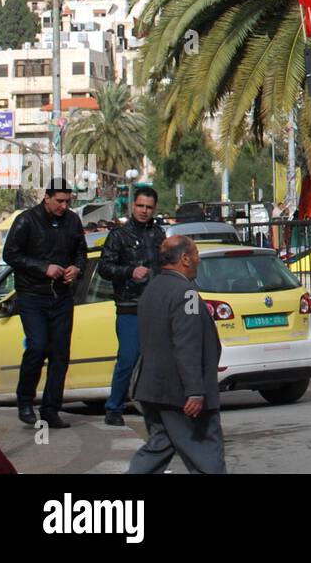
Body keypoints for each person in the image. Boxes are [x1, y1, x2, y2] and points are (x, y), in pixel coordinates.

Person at [128, 236, 226, 474]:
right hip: (179, 393)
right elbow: (187, 343)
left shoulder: (153, 288)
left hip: (154, 389)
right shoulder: (187, 293)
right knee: (206, 455)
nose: (198, 260)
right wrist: (195, 390)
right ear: (184, 259)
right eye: (196, 254)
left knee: (158, 448)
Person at [3, 180, 87, 428]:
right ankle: (25, 401)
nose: (63, 206)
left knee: (60, 353)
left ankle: (51, 409)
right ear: (46, 198)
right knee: (38, 346)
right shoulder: (26, 220)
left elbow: (81, 252)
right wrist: (43, 268)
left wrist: (78, 268)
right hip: (32, 295)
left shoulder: (72, 221)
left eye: (67, 201)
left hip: (61, 297)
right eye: (59, 201)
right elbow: (11, 254)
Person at [97, 185, 165, 428]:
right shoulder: (118, 236)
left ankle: (157, 407)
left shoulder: (159, 234)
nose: (144, 211)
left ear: (154, 208)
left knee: (158, 359)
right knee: (128, 358)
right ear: (133, 206)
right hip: (129, 306)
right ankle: (113, 408)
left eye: (148, 207)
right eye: (140, 206)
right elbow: (104, 268)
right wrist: (129, 271)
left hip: (156, 305)